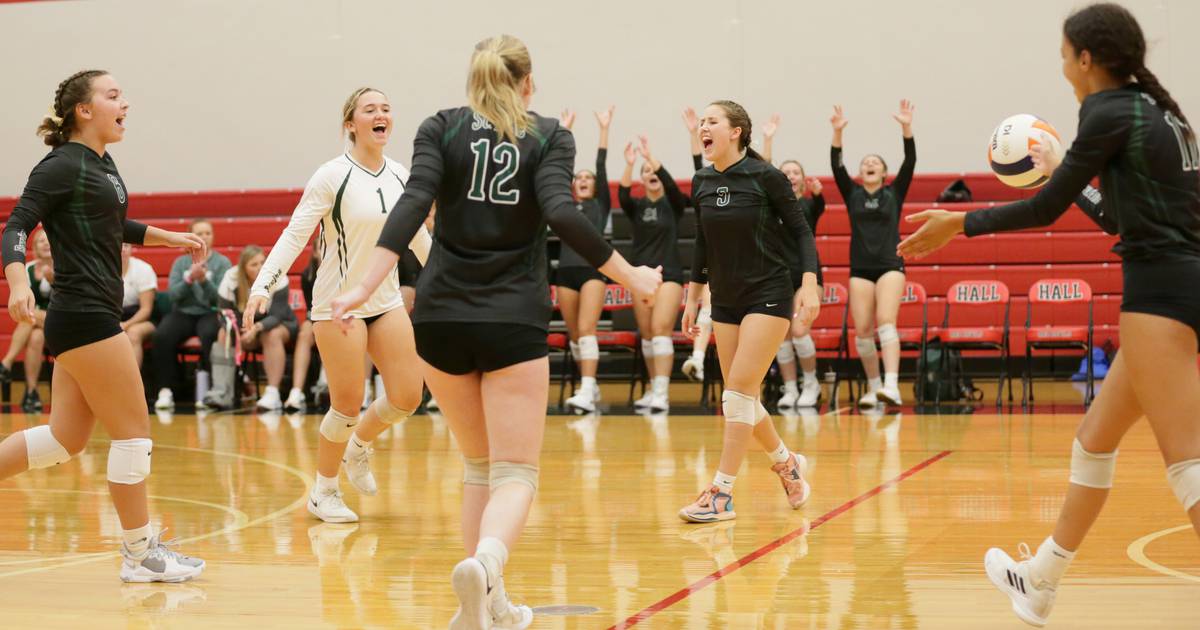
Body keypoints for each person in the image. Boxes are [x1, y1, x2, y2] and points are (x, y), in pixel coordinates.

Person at [330, 34, 661, 630]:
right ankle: (486, 565)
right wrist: (630, 273)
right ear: (527, 83)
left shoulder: (441, 127)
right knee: (515, 472)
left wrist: (360, 285)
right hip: (511, 317)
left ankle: (487, 605)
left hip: (439, 319)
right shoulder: (550, 135)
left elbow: (411, 204)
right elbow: (563, 213)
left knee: (477, 467)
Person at [898, 4, 1200, 626]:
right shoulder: (1158, 113)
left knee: (1188, 463)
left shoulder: (1107, 109)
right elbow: (1115, 215)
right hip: (1181, 283)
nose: (1063, 66)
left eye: (1065, 55)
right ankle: (1040, 581)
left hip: (1162, 295)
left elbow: (1044, 210)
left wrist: (961, 223)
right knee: (1093, 441)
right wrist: (1067, 167)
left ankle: (1041, 580)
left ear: (1087, 59)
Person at [0, 69, 206, 581]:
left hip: (85, 316)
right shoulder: (61, 164)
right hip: (87, 316)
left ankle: (139, 549)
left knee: (65, 439)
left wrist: (170, 238)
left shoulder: (102, 163)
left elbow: (117, 225)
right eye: (114, 96)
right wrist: (20, 285)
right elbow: (18, 225)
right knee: (133, 436)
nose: (126, 103)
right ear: (83, 111)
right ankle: (139, 553)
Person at [246, 86, 432, 523]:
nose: (380, 114)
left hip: (384, 299)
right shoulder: (331, 176)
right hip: (337, 304)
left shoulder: (401, 174)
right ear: (351, 125)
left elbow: (418, 238)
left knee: (407, 396)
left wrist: (451, 278)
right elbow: (295, 235)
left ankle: (359, 447)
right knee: (346, 403)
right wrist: (262, 286)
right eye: (370, 109)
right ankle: (324, 490)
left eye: (386, 108)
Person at [679, 100, 819, 523]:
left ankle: (721, 493)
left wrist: (809, 284)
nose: (704, 127)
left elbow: (801, 232)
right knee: (743, 398)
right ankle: (788, 464)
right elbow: (702, 242)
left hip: (769, 293)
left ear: (736, 131)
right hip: (725, 297)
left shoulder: (767, 178)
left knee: (736, 394)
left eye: (712, 121)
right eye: (701, 122)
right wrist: (693, 295)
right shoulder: (701, 181)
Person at [830, 100, 917, 407]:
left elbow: (910, 162)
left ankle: (892, 385)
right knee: (863, 331)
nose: (869, 164)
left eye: (875, 163)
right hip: (860, 268)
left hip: (890, 265)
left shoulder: (894, 193)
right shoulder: (852, 193)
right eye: (865, 162)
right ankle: (874, 387)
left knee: (885, 320)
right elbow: (836, 167)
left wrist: (906, 128)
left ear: (883, 172)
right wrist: (837, 133)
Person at [619, 134, 688, 412]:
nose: (651, 174)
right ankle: (652, 389)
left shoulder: (673, 203)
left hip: (669, 273)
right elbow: (622, 195)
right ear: (642, 180)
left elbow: (671, 185)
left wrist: (652, 160)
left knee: (661, 330)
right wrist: (630, 163)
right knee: (647, 334)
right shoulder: (637, 206)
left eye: (654, 171)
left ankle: (662, 392)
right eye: (645, 172)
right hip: (640, 275)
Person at [558, 106, 614, 414]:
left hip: (592, 272)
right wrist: (564, 132)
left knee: (587, 329)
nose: (582, 179)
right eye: (577, 177)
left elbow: (601, 167)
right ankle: (588, 387)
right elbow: (560, 172)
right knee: (576, 334)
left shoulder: (600, 204)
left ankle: (587, 387)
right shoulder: (565, 205)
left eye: (586, 178)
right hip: (565, 272)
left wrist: (604, 129)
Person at [151, 218, 231, 410]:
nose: (204, 237)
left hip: (210, 312)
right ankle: (166, 390)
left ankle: (211, 389)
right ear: (190, 236)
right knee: (162, 335)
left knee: (210, 333)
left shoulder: (222, 262)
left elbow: (221, 299)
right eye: (199, 233)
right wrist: (189, 279)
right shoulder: (180, 263)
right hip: (184, 313)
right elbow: (173, 296)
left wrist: (204, 281)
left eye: (207, 233)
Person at [210, 245, 296, 410]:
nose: (260, 268)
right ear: (243, 267)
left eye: (262, 262)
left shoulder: (277, 275)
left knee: (271, 334)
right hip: (244, 327)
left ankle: (272, 394)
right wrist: (236, 330)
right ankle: (221, 393)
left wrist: (256, 328)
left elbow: (278, 315)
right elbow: (224, 313)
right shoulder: (231, 278)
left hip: (279, 324)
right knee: (224, 333)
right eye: (254, 264)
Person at [0, 229, 52, 412]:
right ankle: (31, 392)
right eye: (41, 241)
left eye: (48, 240)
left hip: (59, 319)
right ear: (35, 247)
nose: (45, 244)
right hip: (37, 322)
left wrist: (53, 280)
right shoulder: (28, 269)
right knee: (36, 336)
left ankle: (6, 363)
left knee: (28, 317)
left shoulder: (64, 266)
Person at [678, 108, 713, 383]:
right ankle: (698, 360)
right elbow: (698, 166)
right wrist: (692, 134)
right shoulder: (706, 181)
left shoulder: (753, 179)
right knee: (709, 307)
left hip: (750, 264)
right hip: (717, 259)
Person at [284, 245, 321, 412]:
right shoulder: (308, 275)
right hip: (319, 316)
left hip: (347, 317)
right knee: (305, 331)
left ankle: (326, 383)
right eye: (323, 247)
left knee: (334, 330)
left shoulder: (347, 268)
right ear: (314, 253)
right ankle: (296, 392)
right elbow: (311, 309)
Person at [120, 242, 157, 368]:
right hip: (113, 317)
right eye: (119, 245)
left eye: (126, 245)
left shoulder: (143, 269)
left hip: (141, 319)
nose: (123, 249)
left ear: (131, 248)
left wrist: (125, 325)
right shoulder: (101, 270)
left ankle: (132, 386)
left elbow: (146, 310)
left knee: (133, 334)